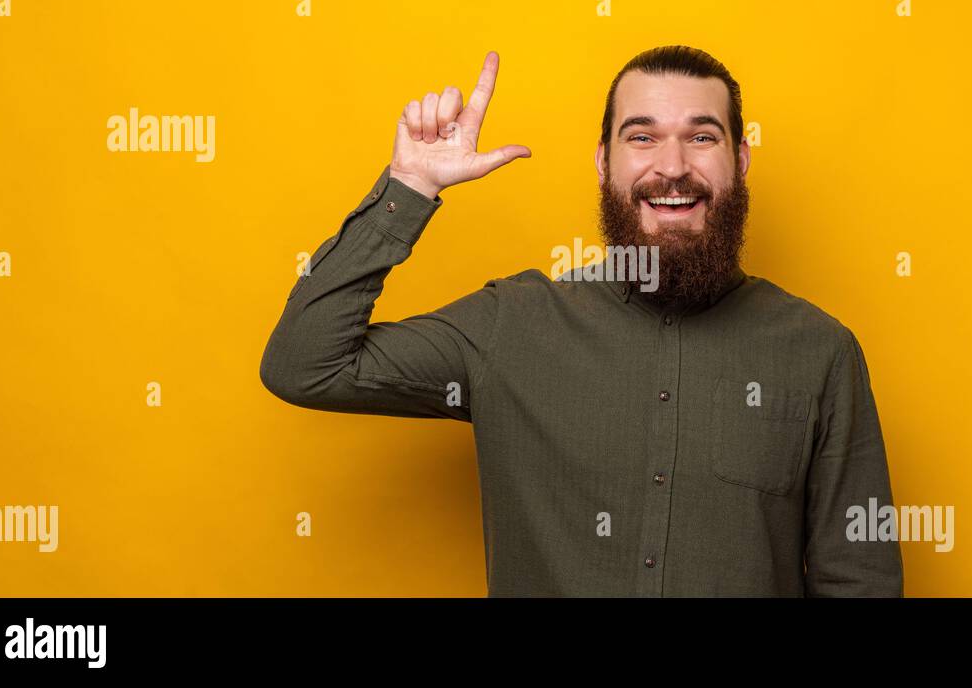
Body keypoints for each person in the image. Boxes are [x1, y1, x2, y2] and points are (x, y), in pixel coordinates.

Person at [260, 46, 903, 597]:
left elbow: (861, 581)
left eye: (703, 137)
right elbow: (305, 365)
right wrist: (408, 187)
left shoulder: (820, 353)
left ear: (740, 161)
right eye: (642, 136)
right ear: (603, 163)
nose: (673, 165)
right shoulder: (511, 326)